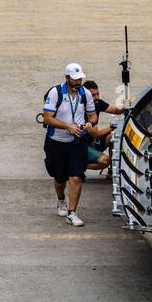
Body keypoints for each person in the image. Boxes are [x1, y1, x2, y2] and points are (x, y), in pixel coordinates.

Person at [42, 63, 97, 227]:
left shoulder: (85, 93)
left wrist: (89, 124)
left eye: (80, 79)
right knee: (59, 178)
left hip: (77, 142)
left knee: (76, 176)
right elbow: (47, 118)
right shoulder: (55, 92)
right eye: (75, 79)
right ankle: (61, 200)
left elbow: (92, 116)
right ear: (67, 78)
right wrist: (67, 126)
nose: (78, 82)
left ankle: (72, 213)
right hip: (56, 142)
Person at [82, 79, 125, 171]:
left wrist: (127, 105)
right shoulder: (80, 109)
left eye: (98, 93)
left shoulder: (97, 103)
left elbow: (116, 110)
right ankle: (74, 166)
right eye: (93, 95)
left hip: (91, 141)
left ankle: (113, 171)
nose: (97, 97)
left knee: (113, 137)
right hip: (81, 146)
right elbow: (96, 134)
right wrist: (112, 126)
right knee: (105, 161)